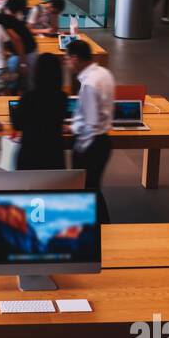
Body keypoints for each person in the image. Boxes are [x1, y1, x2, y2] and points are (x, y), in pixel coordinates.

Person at [65, 38, 114, 224]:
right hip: (104, 141)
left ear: (76, 58)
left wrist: (79, 147)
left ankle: (101, 225)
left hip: (92, 144)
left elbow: (91, 124)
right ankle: (99, 224)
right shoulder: (104, 73)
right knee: (92, 186)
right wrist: (73, 125)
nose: (66, 62)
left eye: (67, 58)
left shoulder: (88, 85)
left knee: (88, 189)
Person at [11, 52, 69, 171]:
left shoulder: (28, 97)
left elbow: (17, 125)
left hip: (30, 153)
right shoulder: (62, 97)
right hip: (54, 153)